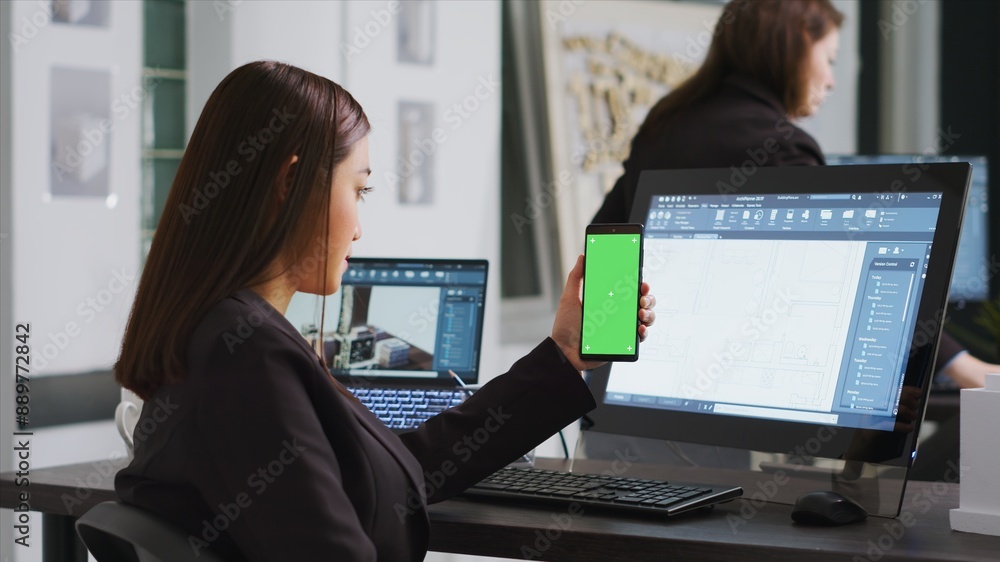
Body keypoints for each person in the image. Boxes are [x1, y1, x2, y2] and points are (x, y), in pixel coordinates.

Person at [113, 61, 656, 561]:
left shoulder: (218, 336)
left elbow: (405, 468)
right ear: (290, 183)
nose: (358, 226)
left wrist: (561, 357)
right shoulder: (245, 355)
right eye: (359, 190)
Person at [591, 0, 995, 388]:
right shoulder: (780, 145)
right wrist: (961, 366)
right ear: (796, 44)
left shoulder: (667, 120)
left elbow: (608, 240)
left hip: (624, 385)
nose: (832, 80)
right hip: (723, 399)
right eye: (830, 59)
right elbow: (851, 280)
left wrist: (607, 346)